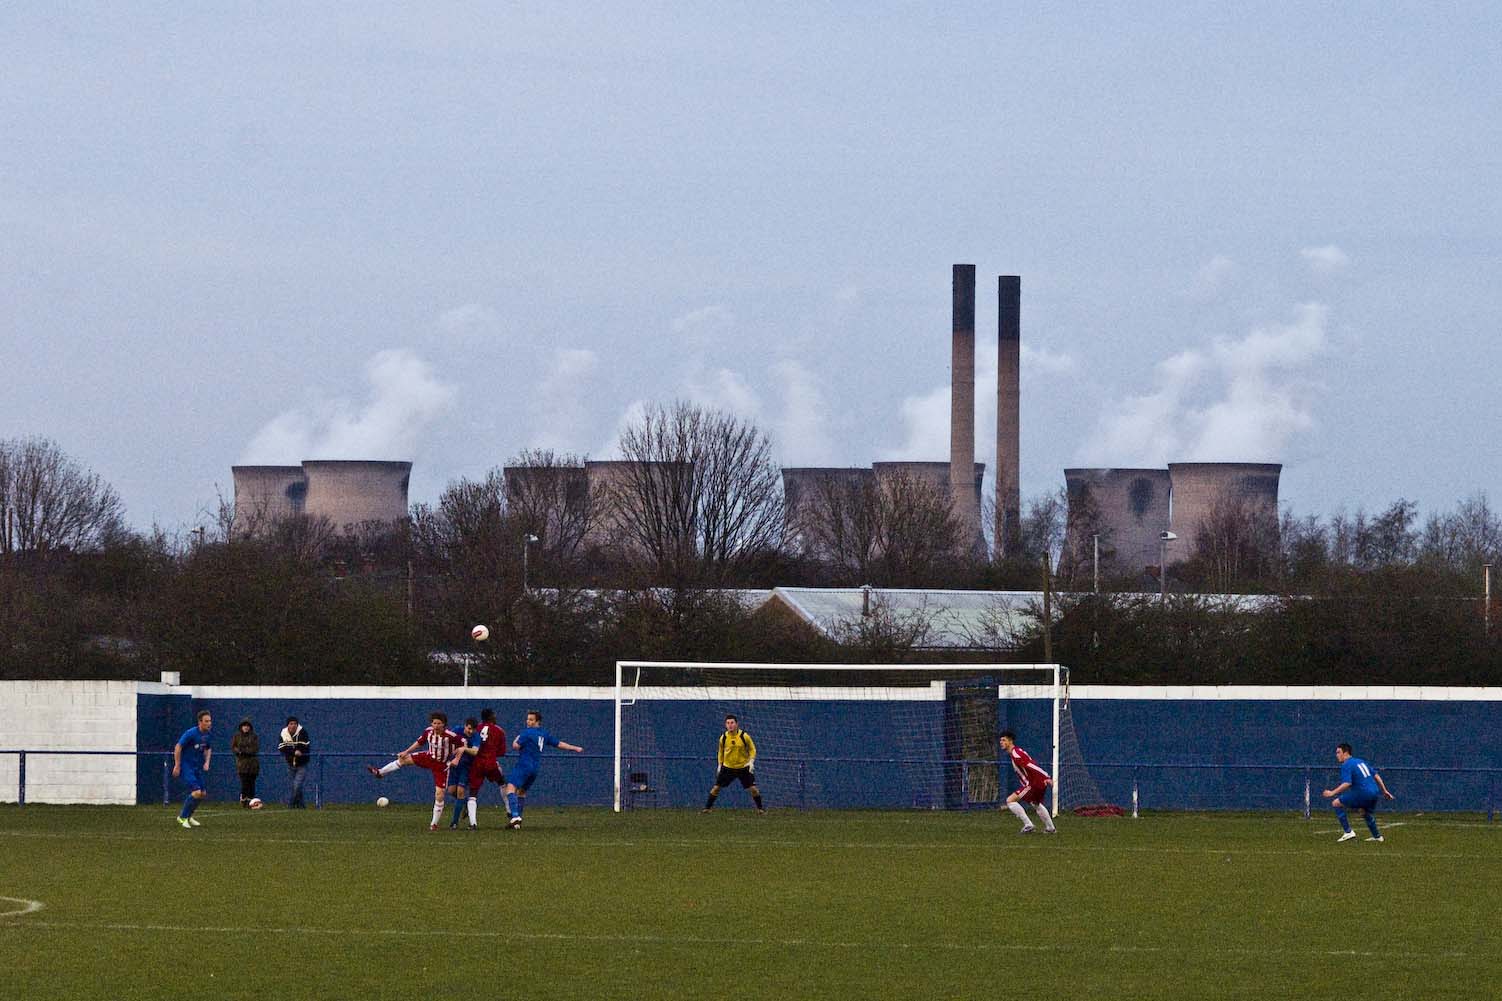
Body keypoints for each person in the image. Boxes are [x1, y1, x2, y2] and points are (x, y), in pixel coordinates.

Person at [367, 712, 468, 831]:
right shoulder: (428, 732)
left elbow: (464, 744)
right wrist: (406, 751)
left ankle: (434, 824)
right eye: (434, 723)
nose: (436, 726)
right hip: (429, 757)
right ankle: (380, 772)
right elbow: (419, 742)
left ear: (444, 724)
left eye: (439, 723)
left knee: (439, 794)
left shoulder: (450, 736)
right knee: (403, 759)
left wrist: (456, 759)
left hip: (441, 765)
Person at [504, 709, 583, 830]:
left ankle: (515, 816)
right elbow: (559, 744)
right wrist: (575, 748)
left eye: (531, 720)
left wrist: (517, 738)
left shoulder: (527, 732)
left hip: (524, 765)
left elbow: (515, 746)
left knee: (510, 788)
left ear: (537, 722)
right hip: (535, 768)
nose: (528, 721)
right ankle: (517, 823)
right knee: (522, 792)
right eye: (527, 719)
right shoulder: (544, 734)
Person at [1323, 743, 1396, 843]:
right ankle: (1377, 837)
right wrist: (1384, 791)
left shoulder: (1346, 764)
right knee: (1364, 812)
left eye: (1338, 752)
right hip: (1375, 792)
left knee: (1336, 803)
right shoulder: (1360, 761)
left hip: (1363, 792)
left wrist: (1332, 793)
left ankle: (1348, 832)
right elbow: (1376, 776)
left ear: (1346, 753)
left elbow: (1347, 783)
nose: (1337, 755)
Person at [453, 708, 507, 830]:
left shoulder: (476, 729)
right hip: (490, 763)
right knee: (502, 782)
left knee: (473, 793)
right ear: (491, 717)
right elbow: (502, 752)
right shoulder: (499, 730)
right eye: (494, 715)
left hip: (476, 764)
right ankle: (511, 813)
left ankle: (473, 823)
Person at [702, 714, 764, 814]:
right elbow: (720, 752)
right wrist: (719, 765)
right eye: (728, 723)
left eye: (732, 723)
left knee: (754, 789)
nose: (730, 725)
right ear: (725, 725)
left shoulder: (744, 736)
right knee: (716, 788)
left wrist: (751, 761)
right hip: (728, 768)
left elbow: (752, 749)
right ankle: (707, 809)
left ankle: (760, 809)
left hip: (743, 767)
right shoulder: (723, 738)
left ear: (736, 724)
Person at [999, 730, 1056, 834]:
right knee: (1035, 803)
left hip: (1032, 783)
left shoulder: (1016, 754)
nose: (1001, 743)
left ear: (1010, 741)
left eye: (1004, 740)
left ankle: (1028, 825)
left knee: (1010, 800)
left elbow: (1031, 765)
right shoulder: (1016, 752)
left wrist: (1046, 776)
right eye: (1001, 740)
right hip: (1037, 782)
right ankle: (1050, 828)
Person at [172, 710, 213, 829]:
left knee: (202, 793)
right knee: (196, 792)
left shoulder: (208, 734)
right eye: (206, 721)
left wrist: (207, 762)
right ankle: (182, 817)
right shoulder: (191, 733)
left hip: (196, 766)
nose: (209, 723)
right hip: (187, 766)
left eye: (210, 721)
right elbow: (178, 747)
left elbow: (208, 748)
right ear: (200, 722)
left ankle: (189, 816)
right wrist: (177, 765)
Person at [446, 718, 480, 830]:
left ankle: (454, 823)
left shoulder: (476, 736)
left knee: (460, 791)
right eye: (469, 728)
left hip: (466, 767)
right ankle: (466, 804)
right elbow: (447, 740)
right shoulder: (457, 730)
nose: (471, 731)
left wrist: (464, 749)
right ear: (465, 726)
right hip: (454, 766)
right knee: (451, 791)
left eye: (473, 729)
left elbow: (475, 751)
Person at [278, 716, 311, 808]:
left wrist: (297, 750)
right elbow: (282, 748)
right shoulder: (283, 733)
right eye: (291, 724)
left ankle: (291, 805)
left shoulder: (302, 732)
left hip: (302, 764)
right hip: (290, 763)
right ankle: (301, 806)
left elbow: (304, 746)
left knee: (297, 785)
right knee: (295, 786)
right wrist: (294, 752)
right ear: (287, 725)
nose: (293, 725)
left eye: (295, 724)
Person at [230, 717, 260, 807]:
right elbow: (234, 747)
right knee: (244, 782)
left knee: (251, 783)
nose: (246, 727)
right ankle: (244, 800)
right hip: (242, 764)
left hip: (252, 764)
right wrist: (239, 751)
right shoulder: (237, 736)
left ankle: (251, 801)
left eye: (247, 726)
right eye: (244, 726)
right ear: (241, 727)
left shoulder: (254, 736)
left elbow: (255, 749)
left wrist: (245, 751)